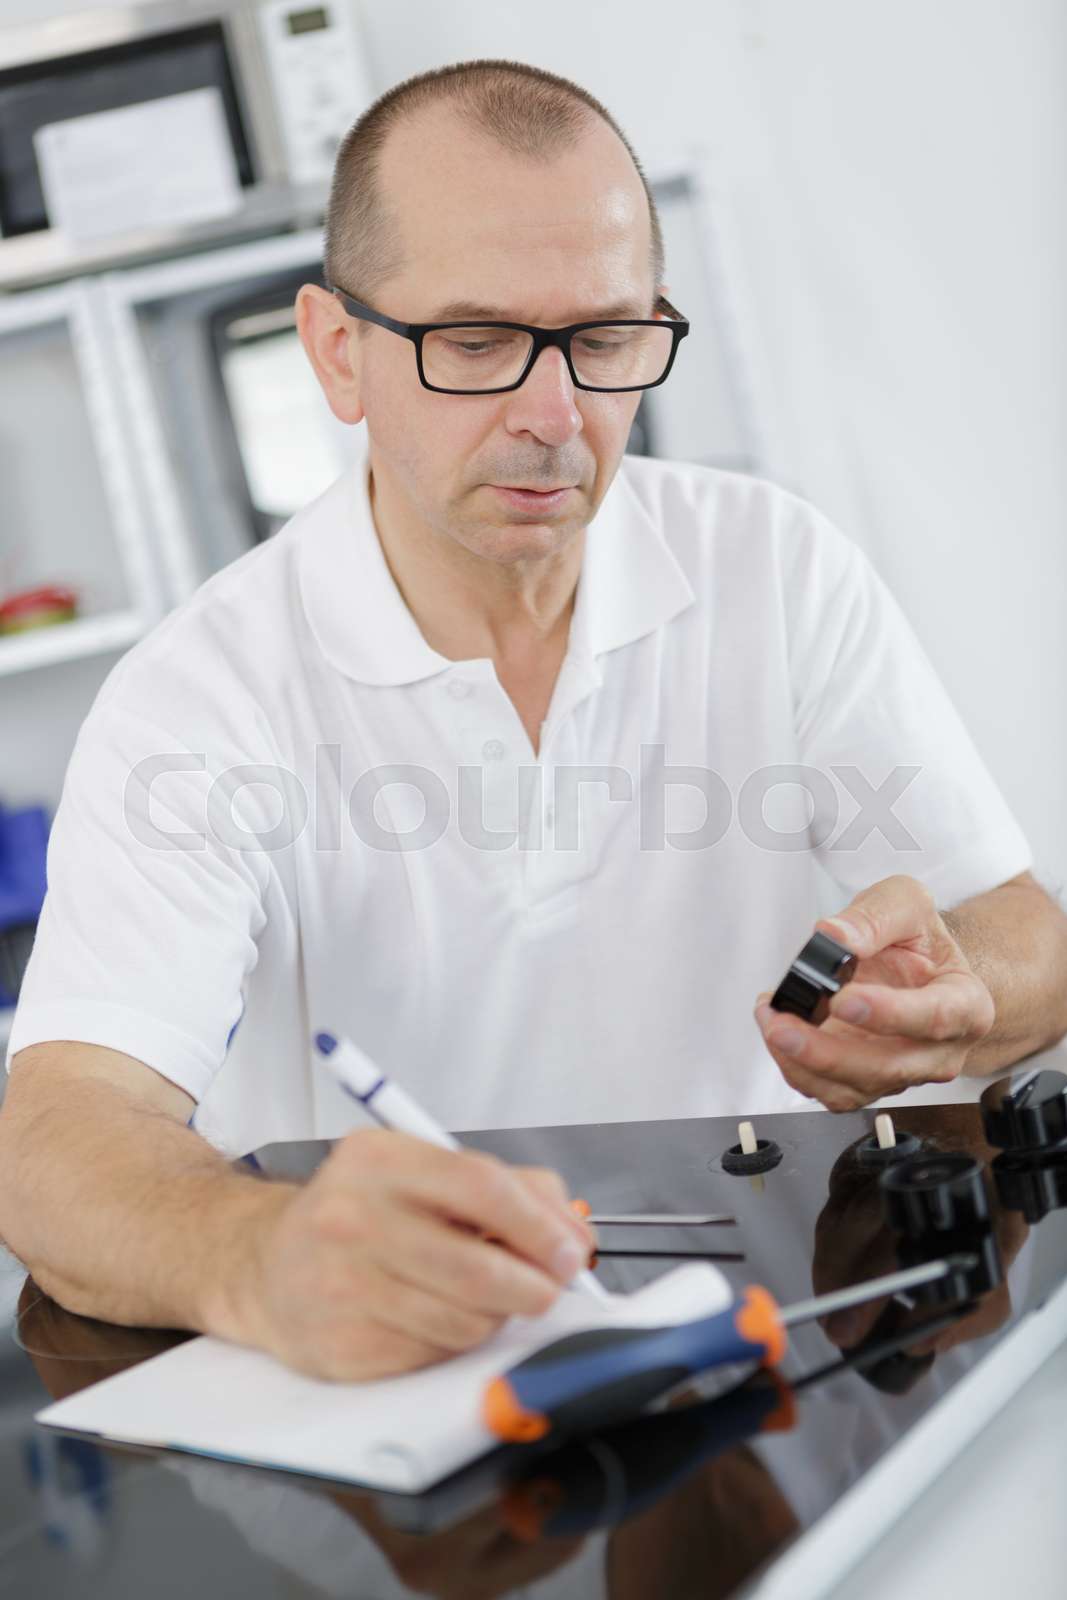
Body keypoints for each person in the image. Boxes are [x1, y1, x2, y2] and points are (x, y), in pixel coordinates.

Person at [1, 60, 1065, 1383]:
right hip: (411, 1387)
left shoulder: (774, 567)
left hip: (773, 1329)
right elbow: (54, 1139)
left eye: (605, 340)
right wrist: (261, 1253)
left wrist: (964, 994)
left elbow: (1026, 930)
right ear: (337, 352)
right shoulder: (203, 694)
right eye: (475, 343)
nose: (554, 417)